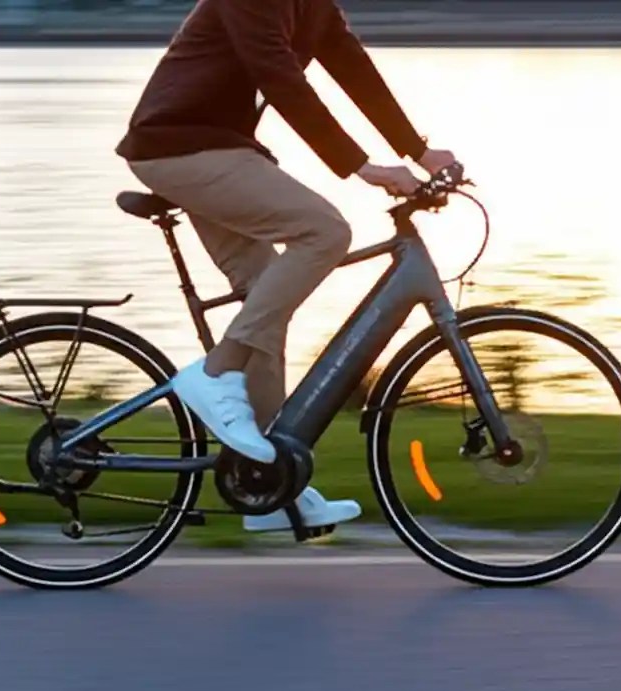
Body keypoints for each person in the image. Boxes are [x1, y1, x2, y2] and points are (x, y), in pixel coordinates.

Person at [115, 0, 458, 532]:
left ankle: (269, 482)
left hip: (219, 148)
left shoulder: (313, 5)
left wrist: (418, 150)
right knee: (324, 232)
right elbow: (277, 76)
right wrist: (363, 167)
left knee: (265, 297)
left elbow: (351, 66)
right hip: (178, 146)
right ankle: (217, 373)